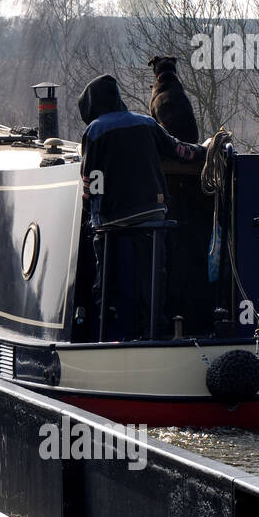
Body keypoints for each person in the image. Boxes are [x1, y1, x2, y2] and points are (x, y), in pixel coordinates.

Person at [77, 74, 206, 340]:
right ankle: (154, 330)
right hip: (153, 214)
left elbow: (91, 180)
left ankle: (111, 331)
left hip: (113, 221)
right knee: (154, 276)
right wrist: (206, 150)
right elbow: (179, 152)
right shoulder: (146, 122)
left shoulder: (95, 131)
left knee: (107, 282)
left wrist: (91, 212)